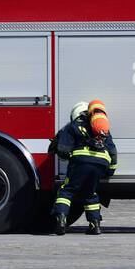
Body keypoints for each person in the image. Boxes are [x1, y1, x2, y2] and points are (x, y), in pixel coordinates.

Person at [52, 99, 117, 236]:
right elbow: (112, 150)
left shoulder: (73, 126)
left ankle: (61, 221)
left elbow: (63, 149)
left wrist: (69, 155)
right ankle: (95, 225)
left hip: (81, 162)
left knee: (66, 191)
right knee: (90, 193)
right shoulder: (101, 128)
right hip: (101, 163)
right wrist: (111, 169)